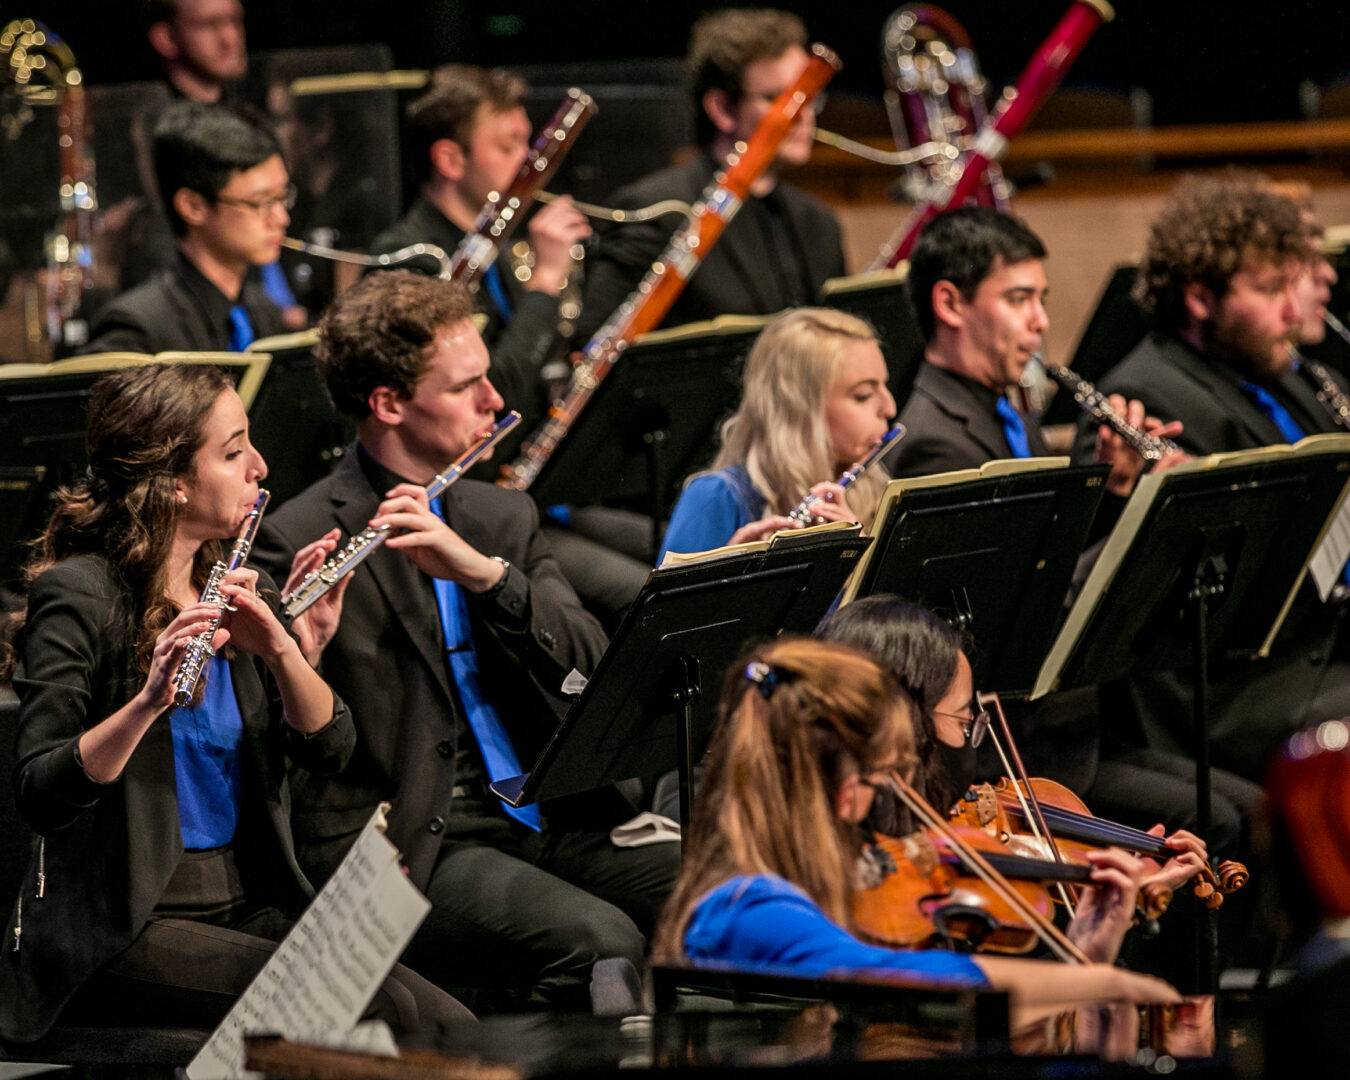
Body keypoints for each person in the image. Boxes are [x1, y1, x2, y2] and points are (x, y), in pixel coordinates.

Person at [0, 363, 467, 1045]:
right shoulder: (82, 597)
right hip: (127, 923)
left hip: (247, 898)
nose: (260, 464)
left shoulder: (236, 578)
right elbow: (42, 790)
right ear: (170, 483)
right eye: (233, 450)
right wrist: (148, 701)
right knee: (377, 1011)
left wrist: (287, 655)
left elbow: (330, 749)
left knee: (449, 1025)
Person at [250, 271, 679, 1011]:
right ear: (388, 404)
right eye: (467, 387)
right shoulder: (297, 536)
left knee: (730, 887)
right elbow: (290, 750)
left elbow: (587, 670)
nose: (495, 404)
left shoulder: (498, 517)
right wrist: (304, 647)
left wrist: (490, 581)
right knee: (601, 941)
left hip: (552, 814)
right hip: (415, 838)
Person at [651, 636, 1180, 1008]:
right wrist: (1111, 985)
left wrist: (1088, 958)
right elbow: (899, 982)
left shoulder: (786, 894)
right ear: (845, 790)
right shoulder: (745, 909)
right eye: (889, 775)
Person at [1085, 173, 1350, 780]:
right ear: (1201, 299)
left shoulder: (1283, 370)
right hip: (1236, 689)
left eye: (1292, 288)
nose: (1291, 311)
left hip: (1318, 646)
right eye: (1268, 290)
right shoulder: (1145, 395)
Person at [371, 66, 647, 627]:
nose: (530, 163)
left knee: (681, 550)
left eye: (529, 142)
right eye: (507, 146)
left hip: (541, 486)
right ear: (451, 160)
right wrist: (544, 288)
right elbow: (487, 394)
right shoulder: (410, 261)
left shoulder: (512, 241)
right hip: (466, 503)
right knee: (640, 593)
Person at [577, 8, 846, 341]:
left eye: (809, 97)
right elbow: (598, 351)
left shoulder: (819, 223)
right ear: (722, 108)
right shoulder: (655, 211)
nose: (802, 114)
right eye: (778, 98)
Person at [886, 206, 1181, 502]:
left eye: (1041, 300)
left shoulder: (1004, 407)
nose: (1041, 321)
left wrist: (1114, 484)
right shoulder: (934, 448)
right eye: (1018, 300)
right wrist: (1145, 506)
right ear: (950, 304)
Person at [658, 307, 894, 563]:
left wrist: (860, 559)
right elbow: (666, 605)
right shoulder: (714, 499)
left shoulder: (875, 490)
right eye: (863, 395)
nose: (889, 407)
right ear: (801, 409)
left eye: (885, 385)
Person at [81, 101, 290, 355]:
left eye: (282, 197)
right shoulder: (137, 330)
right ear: (193, 206)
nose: (281, 218)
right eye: (261, 202)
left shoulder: (265, 312)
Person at [144, 0, 248, 105]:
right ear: (166, 39)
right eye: (209, 25)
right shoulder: (148, 117)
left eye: (235, 21)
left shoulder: (253, 107)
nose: (231, 39)